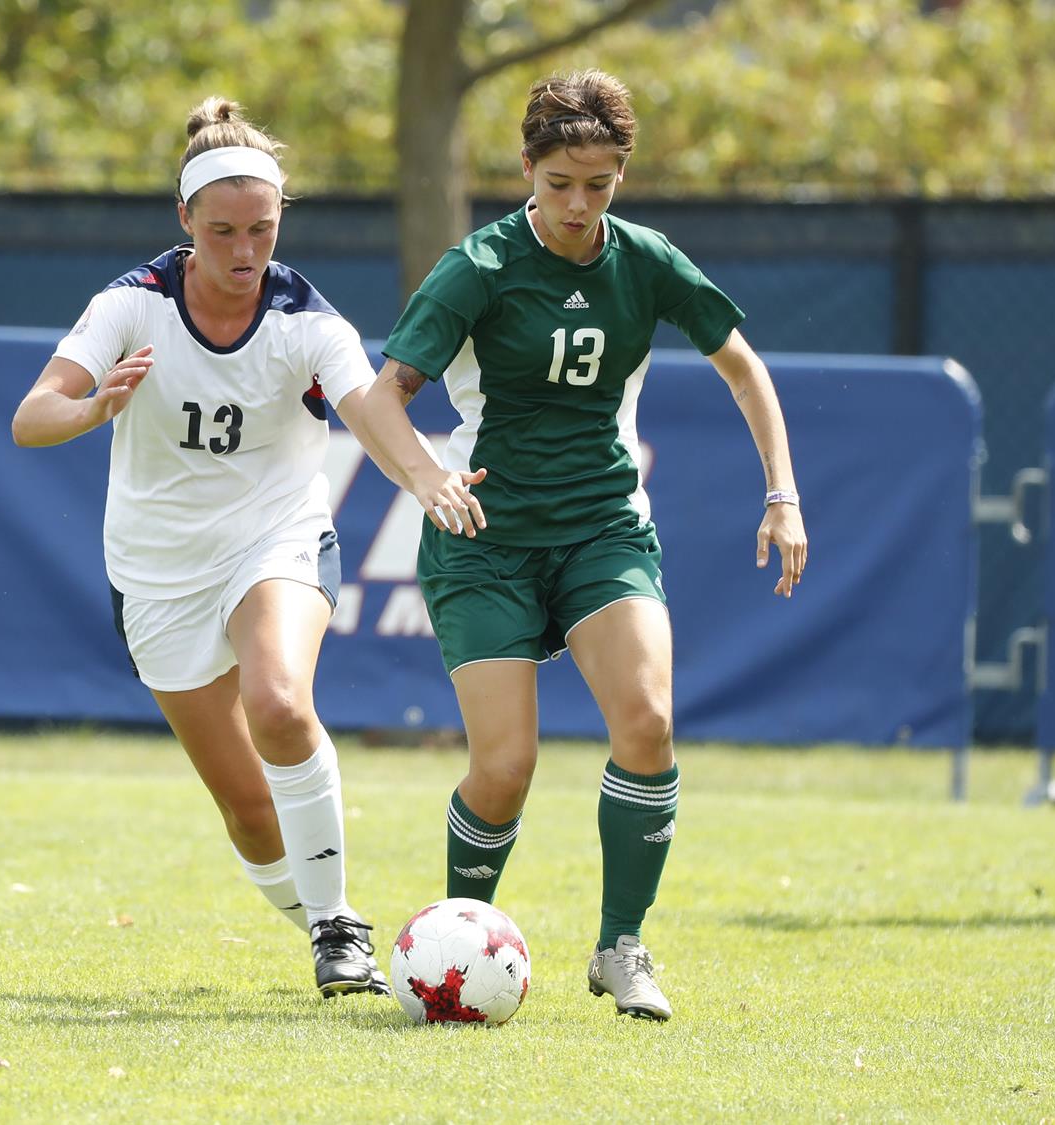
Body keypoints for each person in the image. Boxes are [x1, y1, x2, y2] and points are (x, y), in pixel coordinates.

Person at [330, 69, 808, 1021]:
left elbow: (744, 369)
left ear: (622, 173)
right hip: (485, 539)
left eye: (600, 184)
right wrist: (425, 477)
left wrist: (782, 494)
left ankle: (621, 946)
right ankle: (460, 945)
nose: (580, 205)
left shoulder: (646, 259)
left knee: (648, 721)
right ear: (526, 170)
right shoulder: (478, 266)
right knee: (505, 767)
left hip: (602, 527)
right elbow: (383, 398)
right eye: (560, 185)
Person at [11, 97, 392, 995]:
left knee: (279, 705)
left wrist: (429, 479)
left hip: (275, 536)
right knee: (251, 810)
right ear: (184, 220)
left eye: (262, 229)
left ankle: (341, 927)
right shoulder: (130, 306)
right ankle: (330, 933)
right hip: (157, 571)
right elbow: (32, 417)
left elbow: (372, 411)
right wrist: (95, 407)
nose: (245, 251)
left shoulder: (307, 320)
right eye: (223, 231)